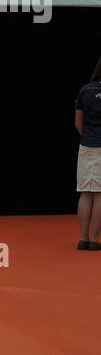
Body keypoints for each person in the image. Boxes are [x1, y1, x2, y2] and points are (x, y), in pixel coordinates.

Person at [74, 57, 101, 250]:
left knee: (85, 193)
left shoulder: (86, 90)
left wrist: (88, 138)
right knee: (100, 195)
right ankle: (94, 240)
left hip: (87, 146)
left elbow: (78, 123)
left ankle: (83, 239)